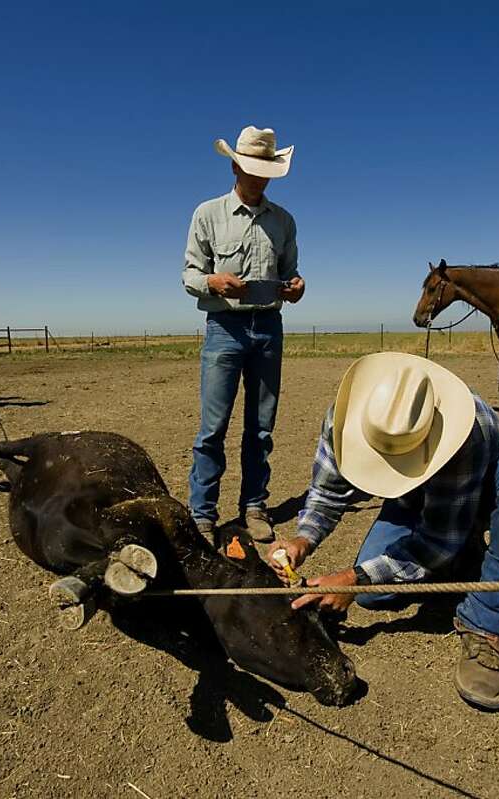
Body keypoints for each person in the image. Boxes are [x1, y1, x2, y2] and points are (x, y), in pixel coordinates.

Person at [270, 353, 499, 711]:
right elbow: (327, 492)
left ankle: (489, 625)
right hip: (418, 500)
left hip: (484, 491)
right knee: (374, 596)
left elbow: (438, 541)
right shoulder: (347, 416)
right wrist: (303, 539)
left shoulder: (466, 430)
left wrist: (355, 578)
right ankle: (467, 559)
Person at [182, 125, 306, 544]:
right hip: (225, 328)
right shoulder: (207, 214)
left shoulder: (284, 221)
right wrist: (214, 282)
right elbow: (189, 274)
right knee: (212, 428)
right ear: (235, 167)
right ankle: (202, 514)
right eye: (254, 169)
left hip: (269, 328)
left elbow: (291, 275)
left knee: (261, 428)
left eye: (267, 170)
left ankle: (254, 506)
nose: (261, 177)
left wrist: (297, 287)